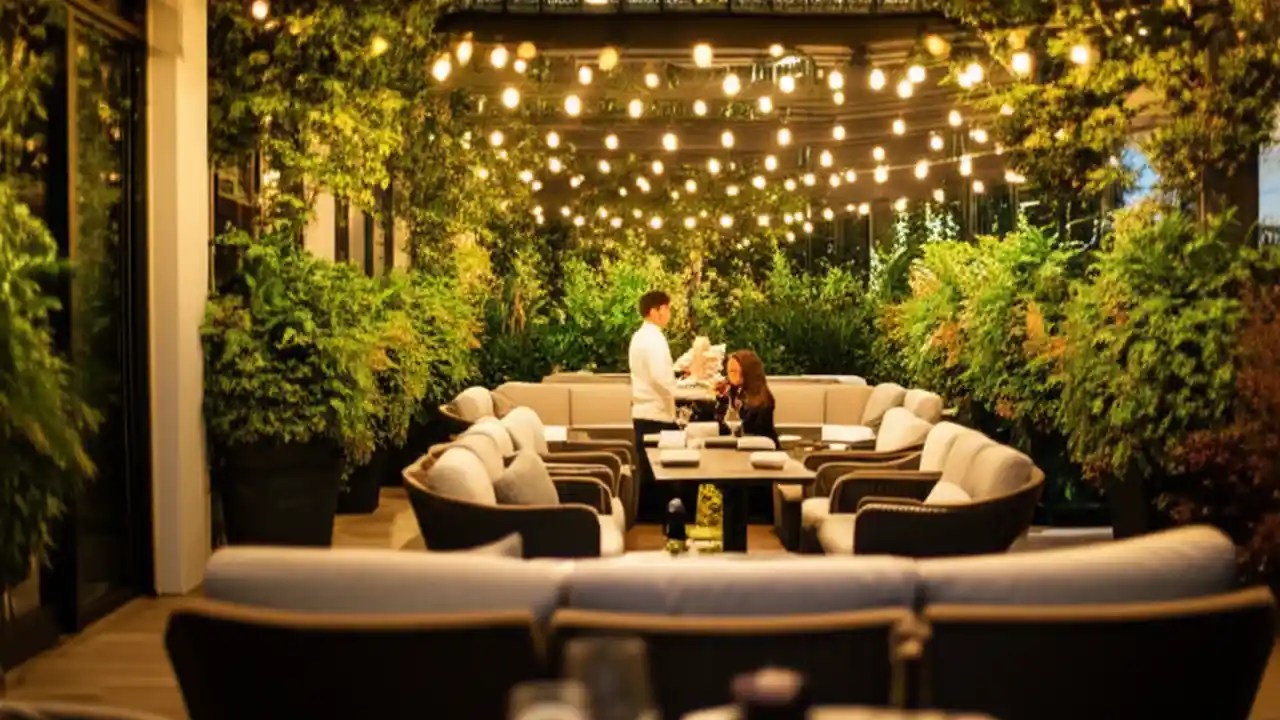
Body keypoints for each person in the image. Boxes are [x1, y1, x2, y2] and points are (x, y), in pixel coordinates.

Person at [628, 290, 689, 521]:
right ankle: (659, 520)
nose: (670, 313)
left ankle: (650, 520)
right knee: (660, 472)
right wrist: (683, 390)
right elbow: (659, 377)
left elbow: (659, 373)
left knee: (650, 471)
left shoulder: (641, 337)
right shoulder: (653, 339)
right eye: (667, 308)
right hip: (655, 414)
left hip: (646, 412)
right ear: (655, 311)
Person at [714, 350, 779, 449]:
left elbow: (753, 433)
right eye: (728, 371)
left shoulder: (761, 403)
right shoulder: (742, 393)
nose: (729, 376)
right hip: (753, 446)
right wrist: (722, 399)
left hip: (764, 450)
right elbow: (721, 427)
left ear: (746, 372)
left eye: (733, 371)